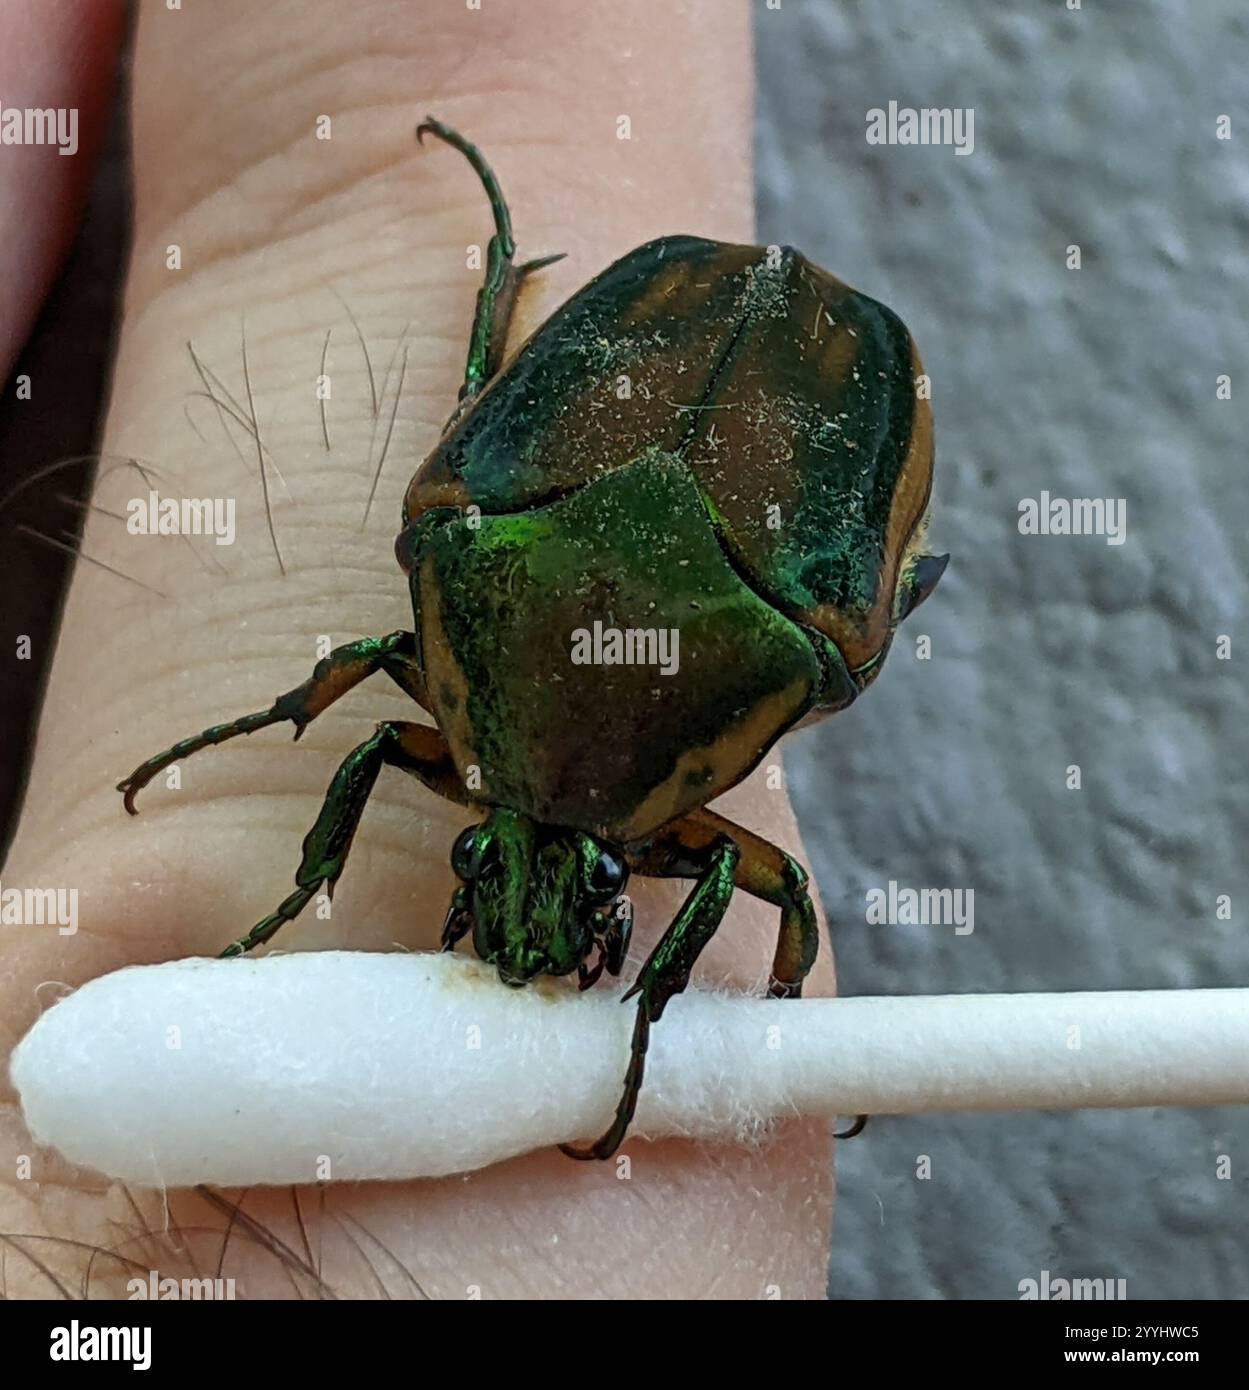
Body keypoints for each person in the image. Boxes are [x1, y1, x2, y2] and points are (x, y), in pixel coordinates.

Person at [0, 0, 838, 1299]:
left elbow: (750, 891)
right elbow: (751, 892)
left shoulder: (470, 709)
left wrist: (733, 1044)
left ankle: (500, 268)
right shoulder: (687, 803)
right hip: (781, 466)